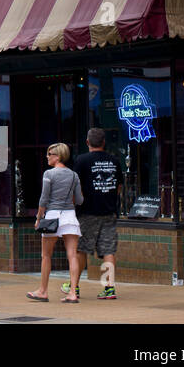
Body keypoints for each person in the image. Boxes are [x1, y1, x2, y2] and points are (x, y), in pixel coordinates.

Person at [65, 127, 122, 300]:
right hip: (109, 211)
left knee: (81, 250)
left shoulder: (81, 160)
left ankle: (74, 287)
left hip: (87, 213)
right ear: (104, 142)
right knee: (108, 250)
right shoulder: (114, 160)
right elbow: (119, 187)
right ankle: (109, 288)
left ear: (87, 142)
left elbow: (76, 187)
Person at [27, 142, 83, 303]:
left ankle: (43, 291)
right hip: (70, 216)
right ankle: (72, 293)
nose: (47, 157)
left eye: (49, 154)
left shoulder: (49, 174)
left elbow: (44, 199)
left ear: (57, 156)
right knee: (72, 255)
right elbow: (79, 200)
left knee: (46, 255)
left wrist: (38, 218)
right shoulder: (74, 175)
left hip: (52, 216)